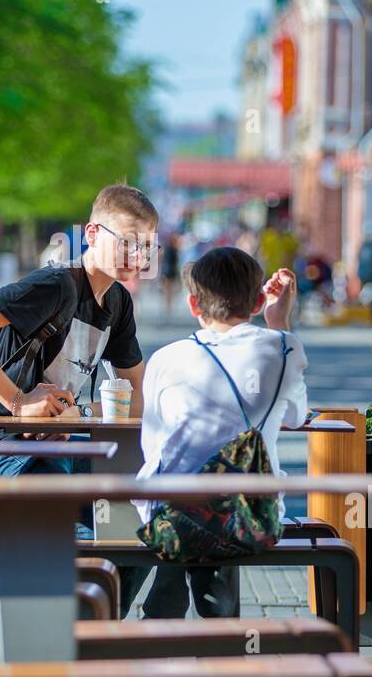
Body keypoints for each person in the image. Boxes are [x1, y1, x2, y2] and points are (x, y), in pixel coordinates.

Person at [132, 247, 308, 618]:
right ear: (259, 300)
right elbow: (296, 415)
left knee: (180, 502)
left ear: (193, 305)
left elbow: (153, 444)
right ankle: (219, 629)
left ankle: (162, 617)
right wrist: (279, 320)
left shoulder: (165, 357)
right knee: (220, 507)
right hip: (253, 515)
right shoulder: (283, 347)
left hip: (173, 509)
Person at [0, 184, 156, 482]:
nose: (137, 255)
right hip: (1, 442)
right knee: (68, 509)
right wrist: (19, 402)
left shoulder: (118, 302)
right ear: (92, 234)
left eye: (146, 246)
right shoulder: (57, 284)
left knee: (142, 470)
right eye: (127, 241)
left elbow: (138, 399)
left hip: (52, 444)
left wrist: (78, 414)